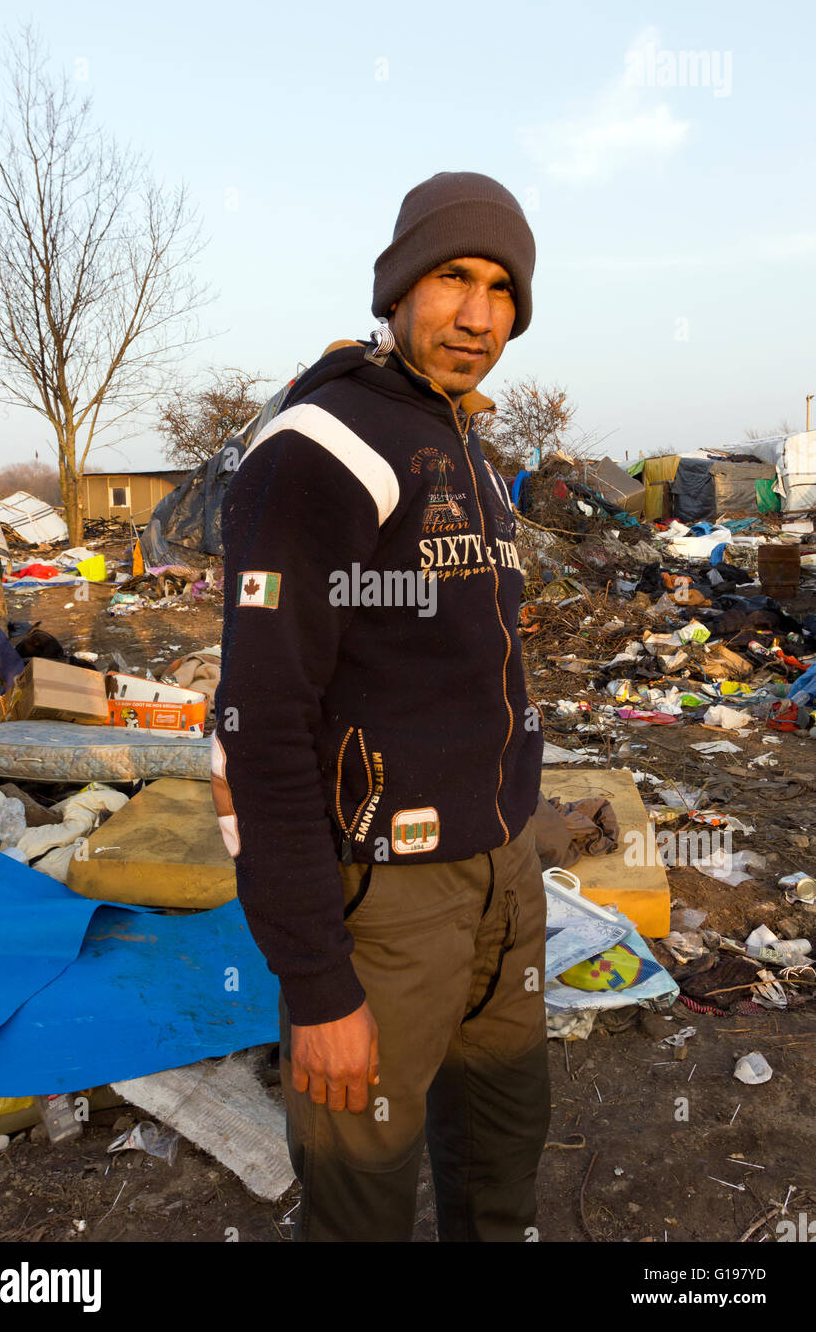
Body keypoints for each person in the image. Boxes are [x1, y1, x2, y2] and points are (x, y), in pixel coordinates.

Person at [213, 171, 549, 1242]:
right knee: (360, 1202)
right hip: (386, 905)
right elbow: (257, 729)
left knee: (499, 1173)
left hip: (502, 880)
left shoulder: (462, 444)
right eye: (452, 276)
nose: (477, 313)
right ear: (398, 286)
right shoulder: (320, 448)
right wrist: (315, 985)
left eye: (502, 288)